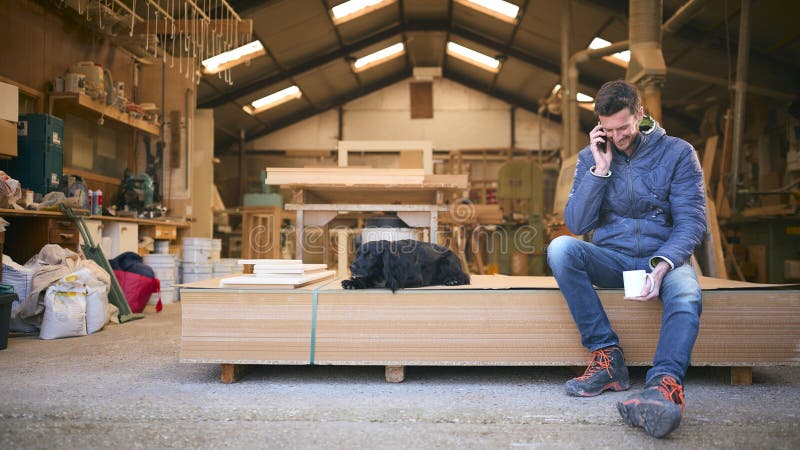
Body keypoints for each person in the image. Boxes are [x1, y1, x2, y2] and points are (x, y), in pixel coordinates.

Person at [547, 80, 706, 438]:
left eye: (624, 127)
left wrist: (663, 264)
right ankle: (607, 359)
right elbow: (577, 223)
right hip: (613, 257)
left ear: (641, 115)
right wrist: (600, 170)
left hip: (665, 258)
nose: (617, 137)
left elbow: (692, 221)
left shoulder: (678, 153)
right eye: (609, 129)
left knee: (687, 294)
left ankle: (663, 387)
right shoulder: (592, 156)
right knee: (560, 248)